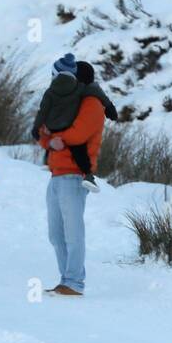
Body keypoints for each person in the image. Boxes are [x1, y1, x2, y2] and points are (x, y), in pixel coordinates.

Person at [37, 61, 104, 297]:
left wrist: (57, 137)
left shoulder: (92, 104)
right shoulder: (68, 103)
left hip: (74, 176)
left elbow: (78, 134)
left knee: (73, 232)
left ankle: (74, 282)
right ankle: (66, 280)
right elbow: (43, 135)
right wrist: (49, 138)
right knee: (56, 234)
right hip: (56, 174)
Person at [30, 53, 118, 192]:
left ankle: (88, 176)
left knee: (79, 149)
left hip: (73, 175)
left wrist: (108, 106)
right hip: (60, 170)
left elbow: (77, 136)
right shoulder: (73, 95)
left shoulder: (89, 100)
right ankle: (51, 162)